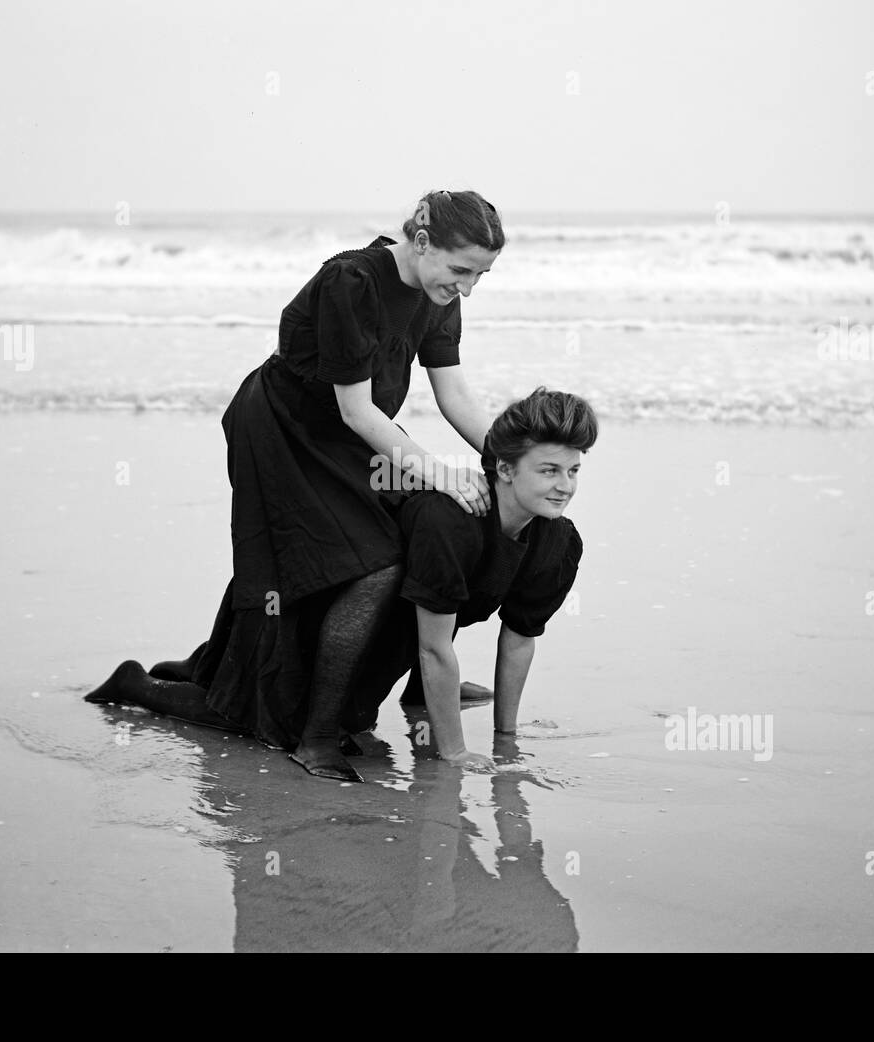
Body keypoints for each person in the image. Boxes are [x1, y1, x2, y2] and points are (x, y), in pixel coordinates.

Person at [86, 191, 505, 782]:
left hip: (351, 434)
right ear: (420, 240)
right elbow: (358, 410)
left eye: (480, 276)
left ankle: (212, 666)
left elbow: (454, 394)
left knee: (407, 539)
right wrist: (438, 471)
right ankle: (314, 737)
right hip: (285, 428)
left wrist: (508, 462)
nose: (467, 288)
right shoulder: (351, 282)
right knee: (351, 563)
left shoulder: (439, 294)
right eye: (461, 270)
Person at [342, 388, 598, 769]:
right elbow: (434, 647)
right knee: (351, 725)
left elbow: (519, 639)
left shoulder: (559, 540)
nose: (566, 486)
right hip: (368, 626)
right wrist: (454, 751)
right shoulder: (450, 522)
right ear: (507, 470)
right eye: (549, 470)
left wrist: (506, 738)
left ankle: (420, 694)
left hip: (430, 626)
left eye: (573, 470)